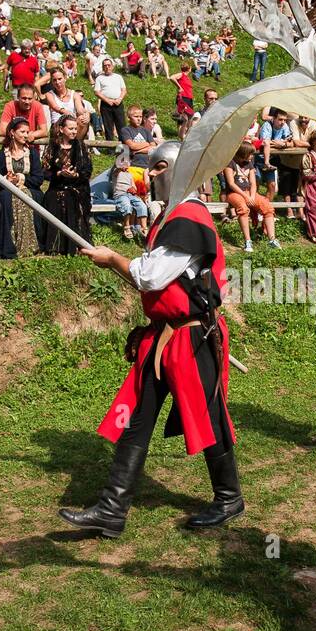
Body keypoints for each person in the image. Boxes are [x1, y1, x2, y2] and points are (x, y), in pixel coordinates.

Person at [62, 142, 244, 536]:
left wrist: (114, 259)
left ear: (176, 171)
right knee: (137, 419)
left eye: (159, 168)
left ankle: (229, 498)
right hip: (163, 335)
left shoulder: (189, 216)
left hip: (192, 338)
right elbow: (155, 278)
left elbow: (149, 275)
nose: (151, 175)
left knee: (208, 416)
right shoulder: (170, 216)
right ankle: (112, 509)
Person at [0, 118, 44, 259]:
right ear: (12, 133)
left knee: (27, 196)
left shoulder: (32, 153)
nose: (26, 135)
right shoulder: (2, 155)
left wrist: (20, 178)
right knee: (6, 198)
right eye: (22, 132)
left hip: (29, 187)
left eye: (27, 132)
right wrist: (7, 180)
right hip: (7, 190)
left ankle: (31, 244)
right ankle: (8, 245)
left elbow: (38, 179)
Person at [40, 114, 92, 256]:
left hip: (77, 187)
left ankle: (74, 246)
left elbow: (87, 171)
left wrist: (75, 175)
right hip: (57, 185)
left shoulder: (80, 147)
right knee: (52, 198)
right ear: (62, 129)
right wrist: (59, 173)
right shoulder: (53, 147)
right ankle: (55, 245)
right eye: (70, 129)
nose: (74, 131)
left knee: (71, 198)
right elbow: (45, 171)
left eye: (75, 128)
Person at [223, 144, 278, 253]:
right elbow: (231, 184)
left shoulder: (249, 164)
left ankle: (272, 240)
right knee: (243, 209)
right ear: (243, 154)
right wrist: (246, 197)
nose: (252, 156)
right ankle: (248, 241)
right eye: (250, 154)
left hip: (249, 192)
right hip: (234, 193)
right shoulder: (230, 163)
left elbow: (253, 183)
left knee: (267, 208)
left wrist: (252, 196)